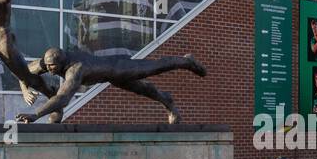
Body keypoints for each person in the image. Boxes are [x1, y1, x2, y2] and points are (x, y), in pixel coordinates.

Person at [15, 46, 207, 125]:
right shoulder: (47, 61)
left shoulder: (75, 69)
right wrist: (25, 89)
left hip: (118, 68)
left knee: (154, 68)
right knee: (144, 90)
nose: (50, 70)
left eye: (53, 67)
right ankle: (168, 103)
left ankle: (186, 61)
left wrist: (36, 115)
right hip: (109, 76)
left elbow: (63, 98)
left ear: (62, 62)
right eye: (47, 67)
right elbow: (22, 72)